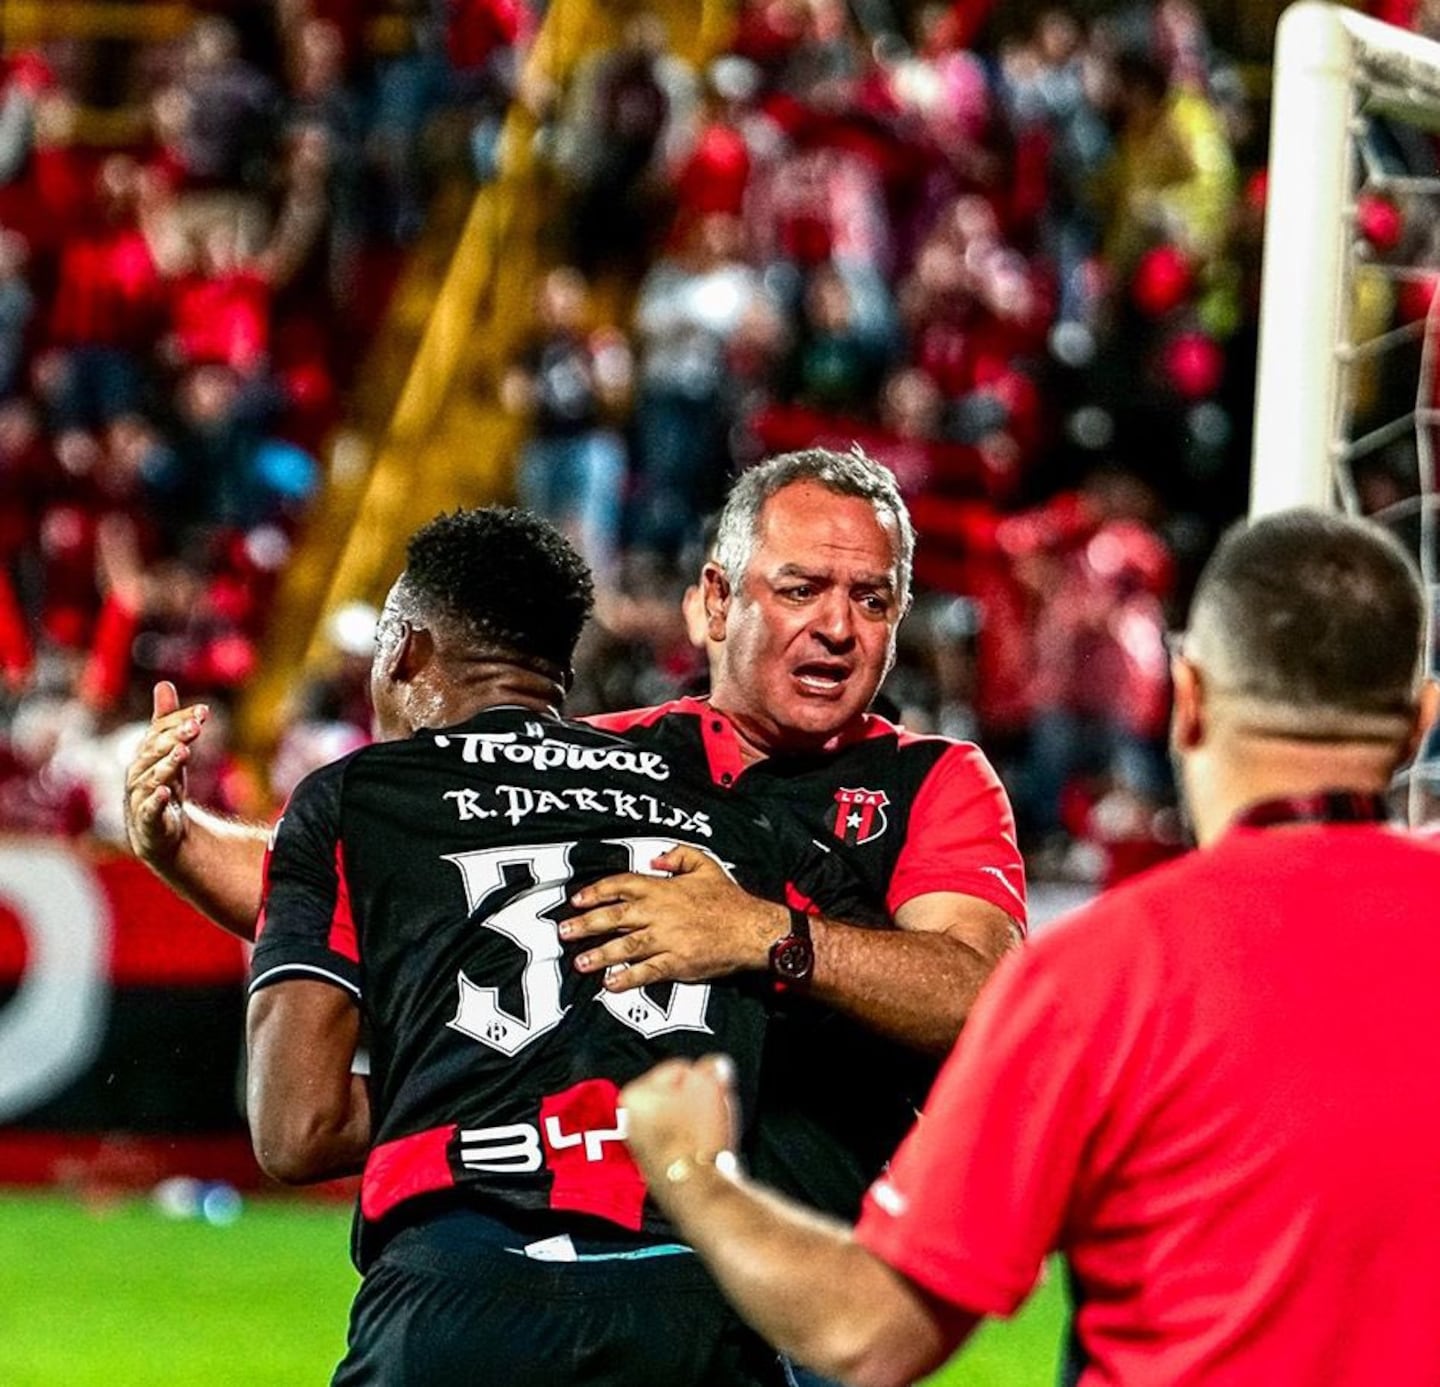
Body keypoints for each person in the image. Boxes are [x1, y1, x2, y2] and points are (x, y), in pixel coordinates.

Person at [618, 507, 1440, 1387]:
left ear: (1186, 697)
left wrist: (688, 1163)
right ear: (1420, 721)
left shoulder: (1105, 974)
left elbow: (869, 1330)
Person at [125, 449, 1024, 1231]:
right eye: (802, 590)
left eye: (872, 600)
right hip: (624, 1260)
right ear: (713, 601)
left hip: (820, 1267)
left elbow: (986, 996)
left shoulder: (932, 783)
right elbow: (366, 885)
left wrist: (763, 936)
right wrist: (178, 836)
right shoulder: (609, 754)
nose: (837, 627)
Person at [243, 505, 875, 1386]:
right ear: (561, 673)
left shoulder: (356, 797)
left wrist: (469, 1091)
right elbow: (904, 1005)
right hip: (695, 1304)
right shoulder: (727, 813)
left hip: (457, 1301)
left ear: (407, 652)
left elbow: (295, 1129)